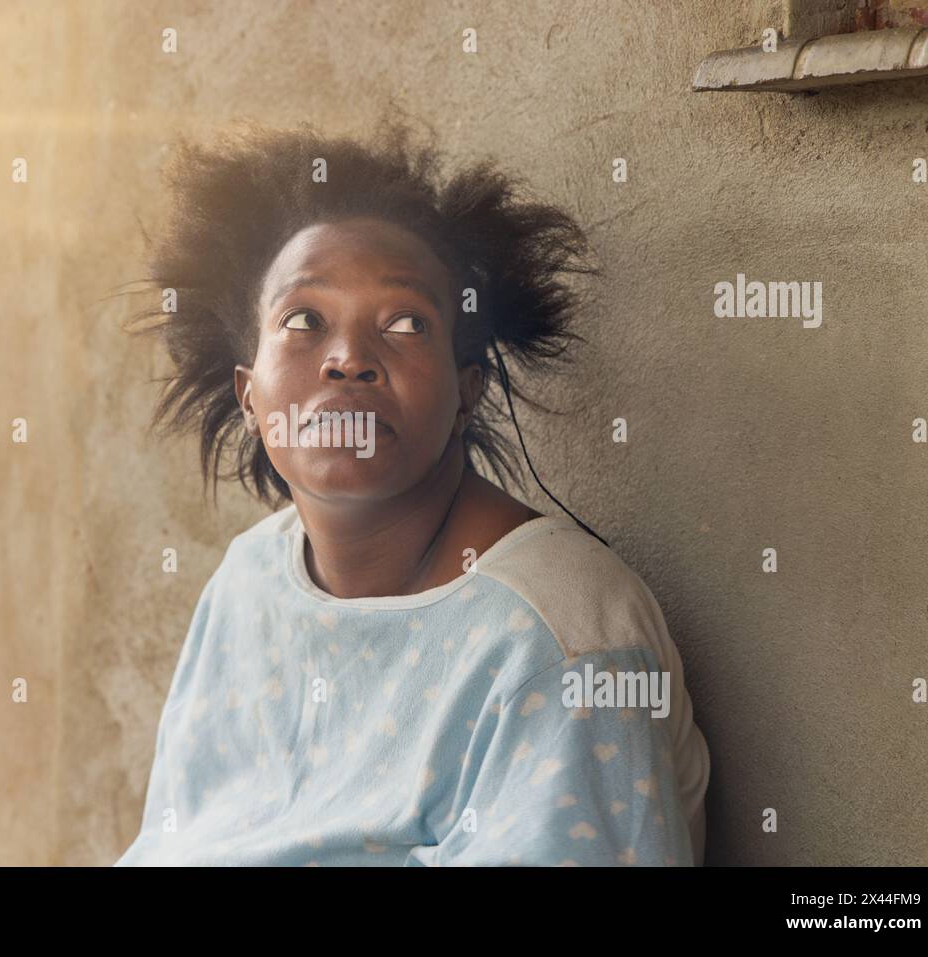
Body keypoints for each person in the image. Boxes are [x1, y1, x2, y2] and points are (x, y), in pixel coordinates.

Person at [114, 109, 710, 866]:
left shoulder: (559, 640)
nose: (348, 358)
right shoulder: (248, 581)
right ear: (249, 395)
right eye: (304, 319)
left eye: (404, 324)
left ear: (468, 392)